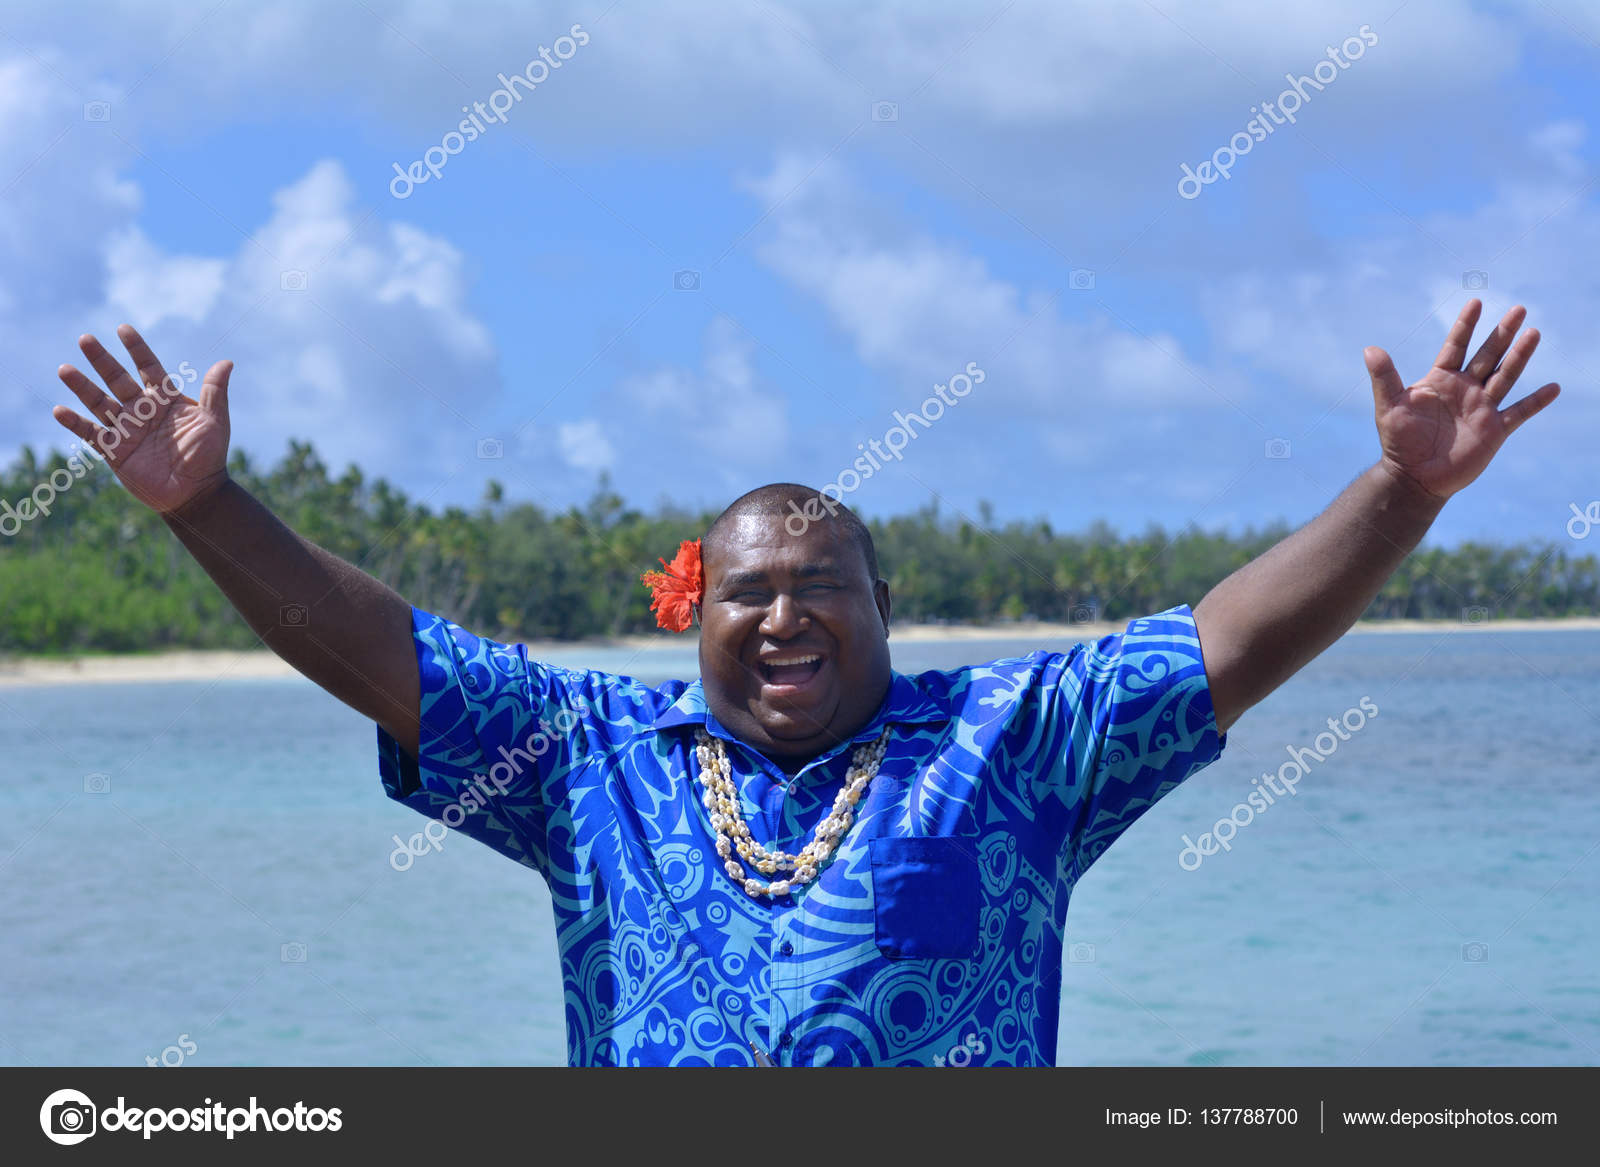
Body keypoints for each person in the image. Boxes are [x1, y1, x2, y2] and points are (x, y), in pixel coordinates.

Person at [48, 300, 1560, 1065]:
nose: (785, 617)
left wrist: (1403, 498)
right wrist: (204, 514)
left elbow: (1228, 639)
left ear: (883, 611)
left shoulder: (1012, 744)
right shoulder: (595, 759)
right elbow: (385, 656)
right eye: (749, 592)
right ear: (694, 613)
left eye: (821, 588)